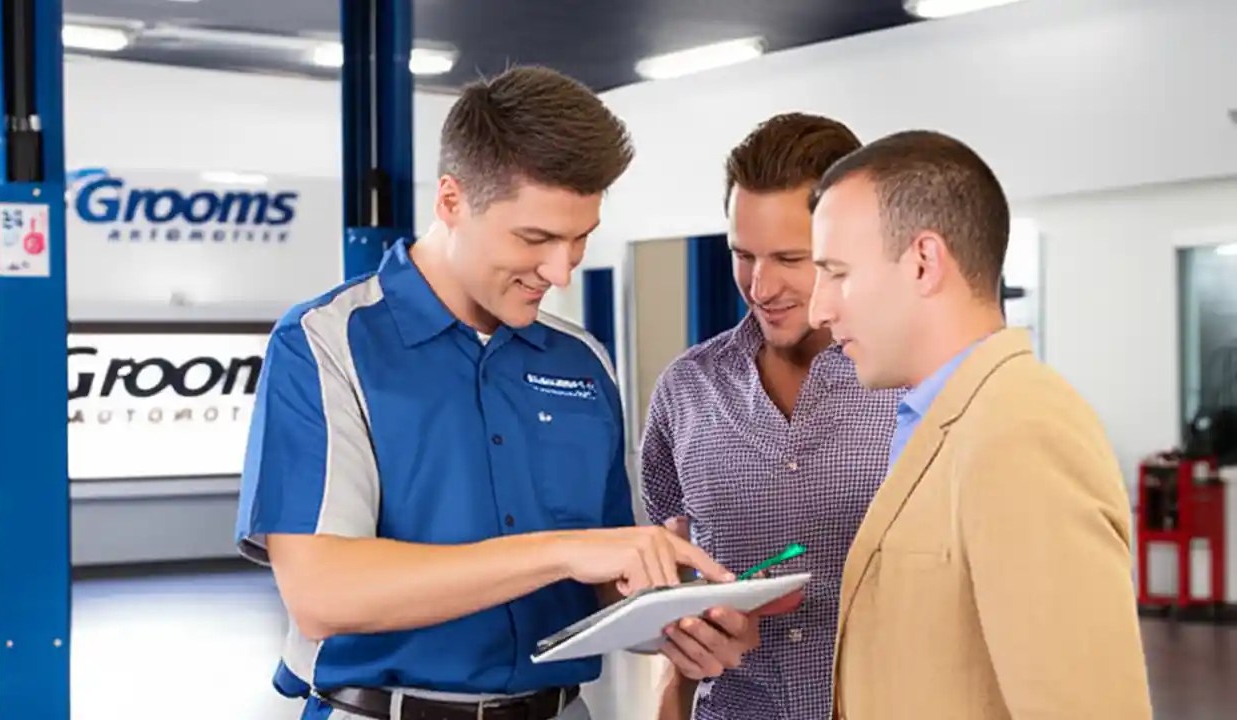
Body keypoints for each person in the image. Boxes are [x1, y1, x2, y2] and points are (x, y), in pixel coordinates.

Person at [235, 66, 755, 720]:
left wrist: (678, 618)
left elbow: (604, 580)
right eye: (535, 239)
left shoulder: (583, 362)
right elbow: (322, 594)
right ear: (452, 201)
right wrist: (562, 551)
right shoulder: (326, 344)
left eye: (581, 238)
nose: (562, 270)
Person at [808, 130, 1153, 719]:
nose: (819, 308)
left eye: (837, 273)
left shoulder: (1021, 431)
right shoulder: (936, 420)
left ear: (923, 263)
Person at [640, 113, 901, 720]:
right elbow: (671, 594)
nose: (760, 286)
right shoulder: (685, 391)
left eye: (790, 258)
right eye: (743, 254)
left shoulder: (913, 387)